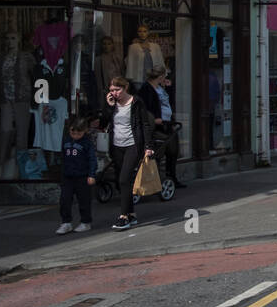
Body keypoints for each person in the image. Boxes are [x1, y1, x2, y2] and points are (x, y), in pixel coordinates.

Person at [100, 76, 154, 231]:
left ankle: (123, 216)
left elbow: (145, 124)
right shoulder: (112, 103)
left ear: (125, 88)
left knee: (124, 179)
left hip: (133, 145)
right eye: (111, 90)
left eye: (117, 90)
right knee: (123, 181)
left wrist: (148, 146)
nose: (114, 93)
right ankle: (131, 214)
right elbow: (103, 123)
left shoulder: (136, 102)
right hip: (116, 146)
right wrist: (109, 107)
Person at [137, 67, 186, 188]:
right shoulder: (146, 89)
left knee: (173, 150)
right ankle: (157, 179)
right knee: (159, 151)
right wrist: (153, 119)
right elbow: (145, 107)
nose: (166, 78)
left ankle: (171, 177)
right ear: (160, 77)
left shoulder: (160, 88)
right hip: (157, 125)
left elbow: (168, 102)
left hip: (167, 123)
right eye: (165, 76)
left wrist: (168, 88)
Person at [57, 117, 97, 234]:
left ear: (85, 131)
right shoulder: (66, 140)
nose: (75, 136)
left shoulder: (87, 143)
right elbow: (63, 157)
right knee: (64, 200)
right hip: (67, 175)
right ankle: (66, 222)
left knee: (84, 200)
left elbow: (92, 159)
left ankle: (85, 222)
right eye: (73, 133)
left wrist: (91, 175)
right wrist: (62, 172)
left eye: (79, 133)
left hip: (82, 176)